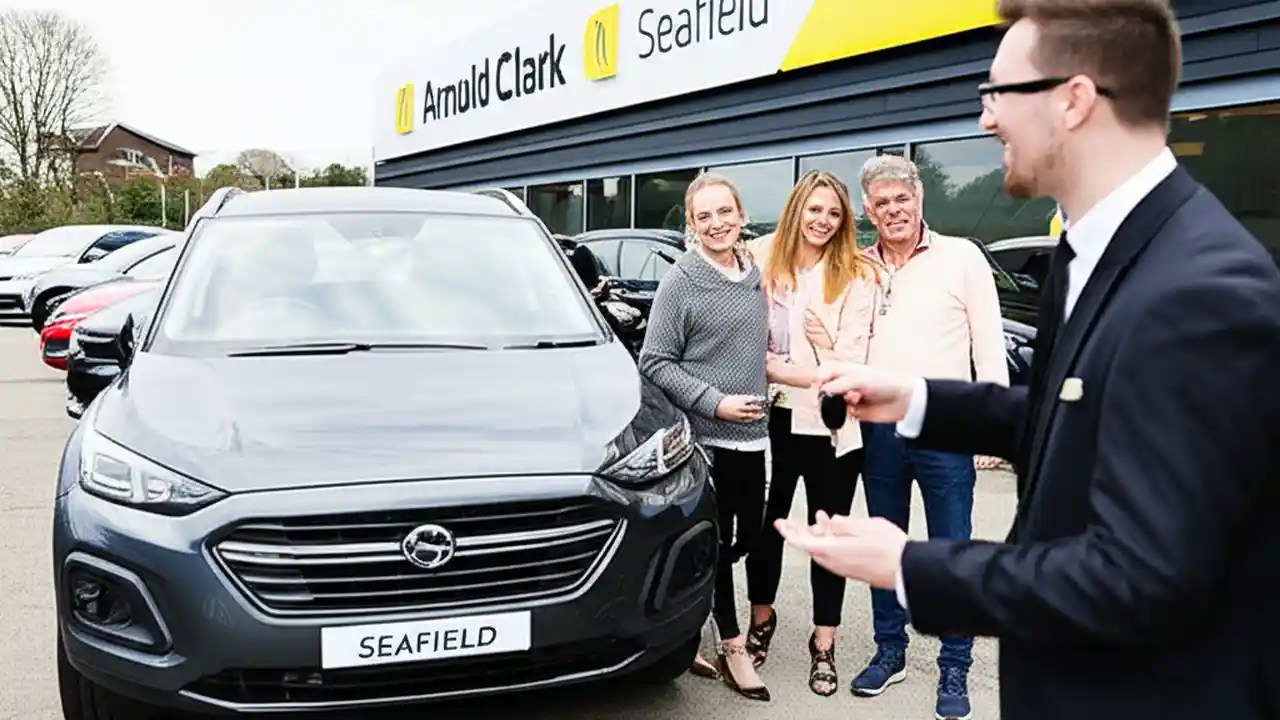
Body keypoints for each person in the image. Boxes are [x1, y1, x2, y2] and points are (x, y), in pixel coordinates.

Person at [776, 1, 1280, 719]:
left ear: (1073, 100)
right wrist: (917, 398)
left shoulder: (1200, 292)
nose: (987, 119)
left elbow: (1136, 579)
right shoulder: (1097, 250)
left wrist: (911, 565)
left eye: (999, 93)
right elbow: (1081, 412)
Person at [840, 154, 1007, 719]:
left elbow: (989, 345)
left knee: (951, 550)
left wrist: (991, 426)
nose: (894, 210)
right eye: (882, 203)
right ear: (869, 211)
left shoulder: (962, 258)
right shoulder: (858, 266)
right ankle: (890, 650)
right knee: (884, 545)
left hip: (946, 426)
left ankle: (954, 663)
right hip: (879, 431)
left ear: (920, 199)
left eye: (902, 199)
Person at [740, 170, 880, 697]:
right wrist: (792, 367)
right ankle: (761, 620)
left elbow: (850, 365)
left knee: (828, 536)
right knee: (766, 528)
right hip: (769, 418)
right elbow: (741, 344)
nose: (822, 220)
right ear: (796, 208)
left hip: (830, 425)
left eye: (834, 213)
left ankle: (824, 641)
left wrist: (805, 355)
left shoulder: (857, 274)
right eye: (814, 209)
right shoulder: (758, 259)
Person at [637, 170, 772, 702]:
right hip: (705, 438)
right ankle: (732, 645)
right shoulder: (683, 280)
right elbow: (654, 362)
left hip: (752, 436)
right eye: (704, 216)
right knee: (713, 543)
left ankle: (688, 627)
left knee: (746, 540)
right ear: (692, 225)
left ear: (741, 215)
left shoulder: (755, 273)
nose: (716, 223)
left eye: (724, 212)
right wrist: (715, 402)